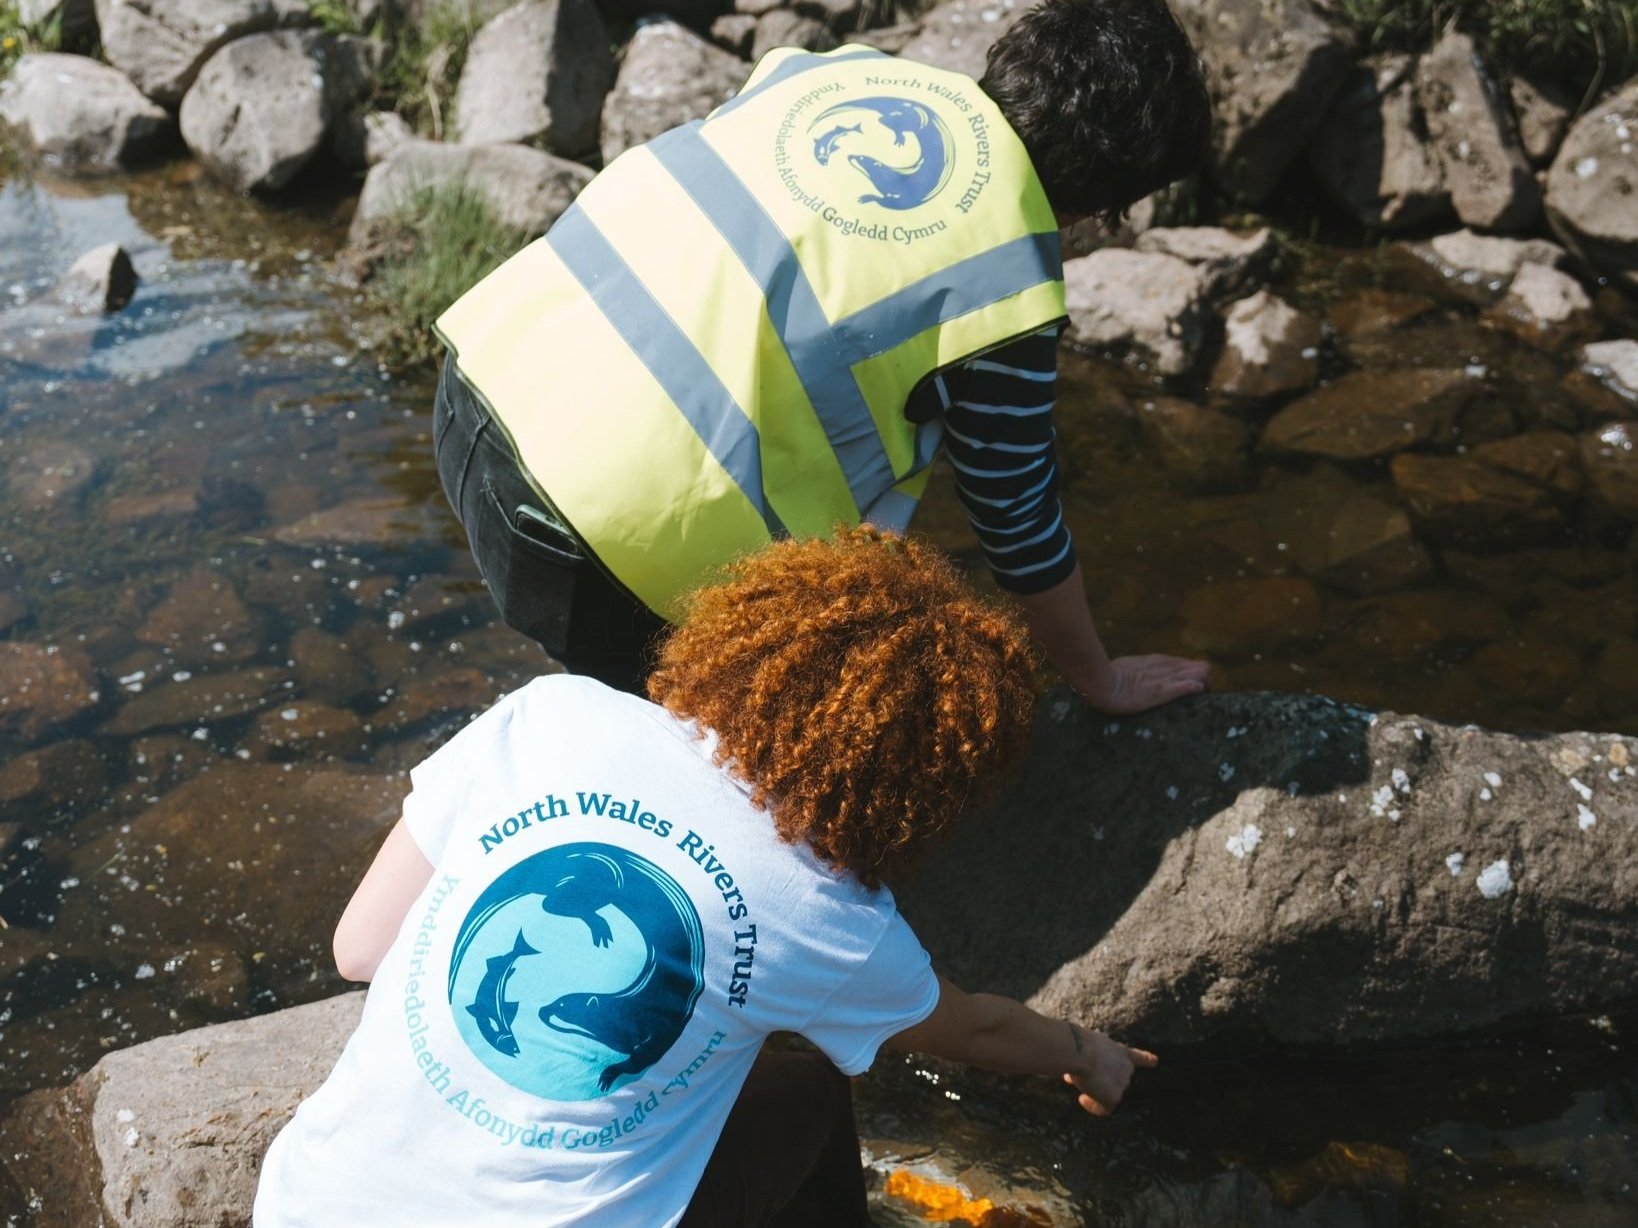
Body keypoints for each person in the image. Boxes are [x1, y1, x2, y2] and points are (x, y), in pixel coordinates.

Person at [253, 527, 1158, 1227]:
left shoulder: (550, 716)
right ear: (922, 782)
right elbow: (979, 1029)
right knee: (804, 1088)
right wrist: (1091, 1055)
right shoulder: (830, 915)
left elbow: (360, 950)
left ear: (748, 632)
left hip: (304, 1203)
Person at [432, 0, 1214, 710]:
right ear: (1112, 201)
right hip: (594, 546)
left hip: (480, 388)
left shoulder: (838, 72)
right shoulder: (1009, 288)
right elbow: (1021, 526)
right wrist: (1097, 678)